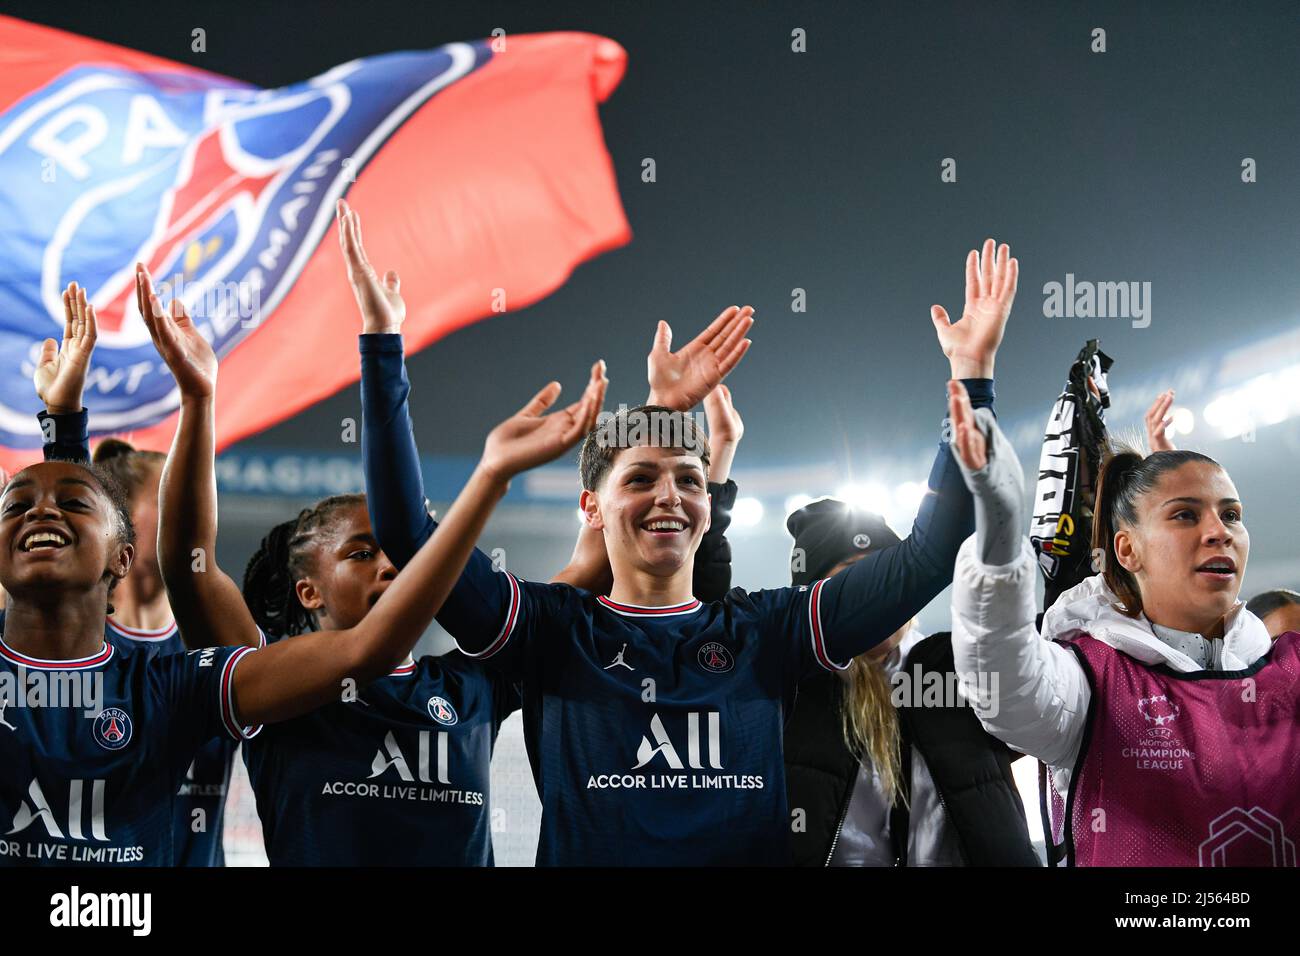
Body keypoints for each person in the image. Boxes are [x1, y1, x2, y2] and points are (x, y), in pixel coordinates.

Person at [381, 238, 1017, 865]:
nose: (670, 496)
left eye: (689, 479)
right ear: (591, 509)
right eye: (639, 479)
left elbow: (929, 554)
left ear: (708, 502)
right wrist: (383, 353)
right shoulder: (552, 629)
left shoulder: (766, 631)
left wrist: (972, 377)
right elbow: (409, 533)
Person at [0, 270, 606, 867]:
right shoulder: (277, 687)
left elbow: (580, 589)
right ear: (307, 590)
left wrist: (654, 442)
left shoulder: (472, 686)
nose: (392, 564)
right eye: (362, 552)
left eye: (397, 549)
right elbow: (189, 567)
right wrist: (197, 398)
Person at [948, 382, 1300, 866]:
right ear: (1127, 549)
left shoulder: (1288, 667)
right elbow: (1001, 681)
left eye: (1231, 515)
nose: (1220, 531)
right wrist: (998, 533)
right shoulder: (1087, 682)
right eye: (1185, 515)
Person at [782, 498, 1038, 866]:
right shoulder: (786, 687)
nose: (878, 593)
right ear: (816, 597)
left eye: (887, 574)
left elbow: (1053, 658)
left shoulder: (961, 668)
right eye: (854, 575)